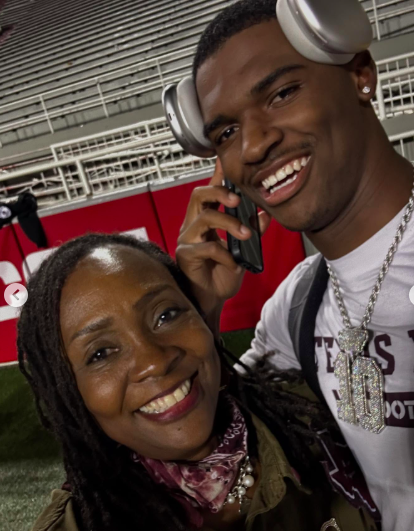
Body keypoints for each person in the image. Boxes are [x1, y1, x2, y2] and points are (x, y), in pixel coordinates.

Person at [175, 1, 414, 531]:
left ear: (360, 74)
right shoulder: (296, 307)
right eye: (225, 133)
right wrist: (200, 308)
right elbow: (217, 444)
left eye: (282, 94)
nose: (253, 145)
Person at [18, 232, 375, 531]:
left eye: (166, 315)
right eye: (100, 353)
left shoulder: (320, 418)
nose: (155, 361)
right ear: (69, 396)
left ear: (201, 317)